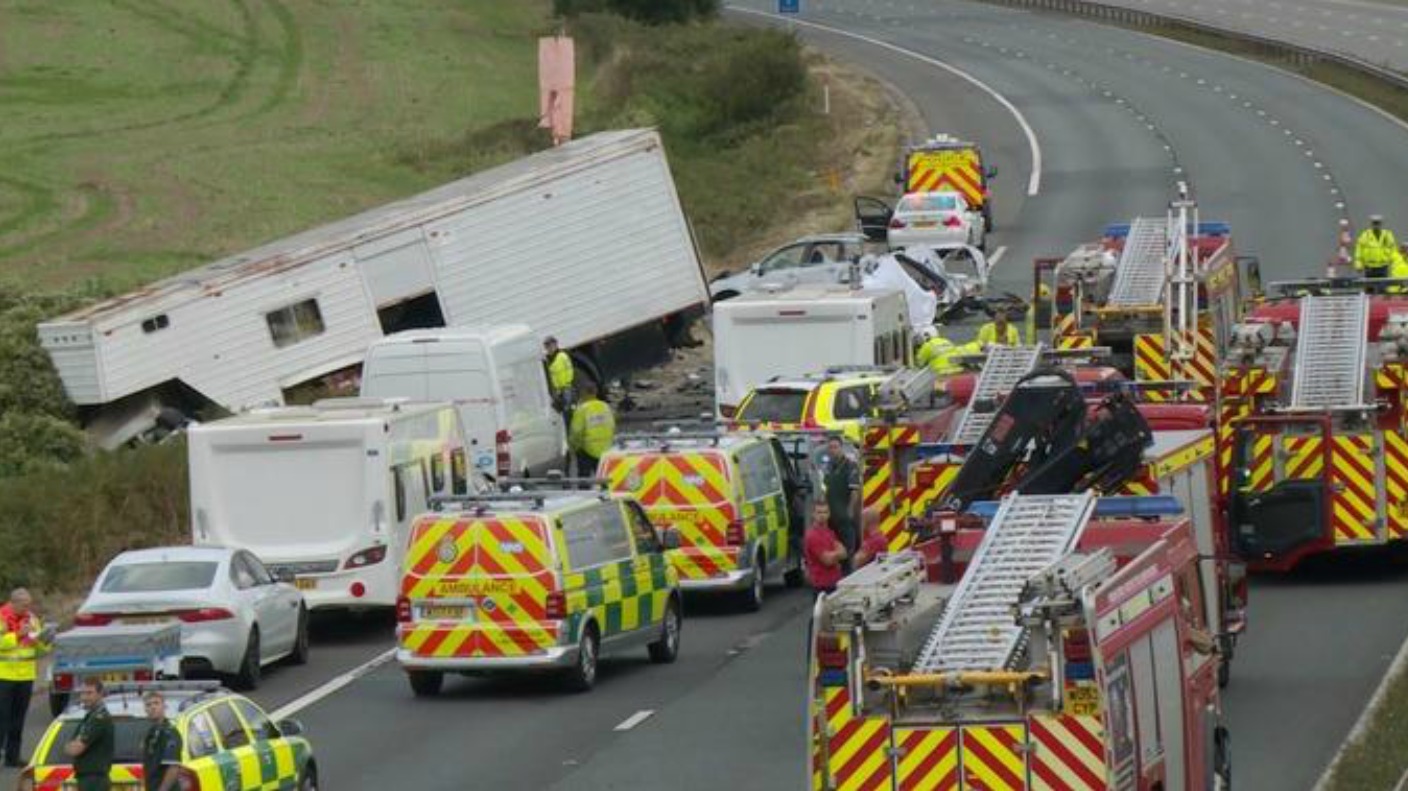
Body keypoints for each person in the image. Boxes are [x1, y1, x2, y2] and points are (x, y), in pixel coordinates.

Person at [0, 588, 52, 767]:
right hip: (4, 676)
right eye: (24, 605)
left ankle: (12, 758)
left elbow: (38, 649)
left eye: (29, 604)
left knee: (18, 719)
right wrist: (17, 635)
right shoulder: (1, 617)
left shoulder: (32, 619)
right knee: (2, 718)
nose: (28, 608)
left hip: (26, 676)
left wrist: (46, 641)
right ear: (13, 603)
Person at [65, 679, 114, 791]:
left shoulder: (99, 719)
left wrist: (72, 745)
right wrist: (72, 746)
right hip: (87, 780)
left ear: (100, 694)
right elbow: (71, 746)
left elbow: (74, 750)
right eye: (82, 693)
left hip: (94, 781)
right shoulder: (90, 717)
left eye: (89, 693)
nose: (84, 697)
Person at [822, 436, 861, 562]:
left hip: (844, 516)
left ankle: (849, 574)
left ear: (841, 448)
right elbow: (825, 488)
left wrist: (849, 511)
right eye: (830, 448)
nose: (833, 450)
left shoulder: (850, 466)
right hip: (831, 517)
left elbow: (854, 491)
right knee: (834, 550)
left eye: (835, 447)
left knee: (848, 550)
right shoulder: (828, 467)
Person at [568, 382, 615, 478]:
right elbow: (612, 426)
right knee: (604, 478)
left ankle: (585, 492)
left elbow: (576, 432)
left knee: (584, 479)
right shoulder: (605, 406)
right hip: (605, 448)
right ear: (596, 392)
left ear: (583, 393)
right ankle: (604, 492)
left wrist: (573, 447)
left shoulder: (582, 409)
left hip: (587, 449)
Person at [140, 691, 182, 791]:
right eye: (148, 705)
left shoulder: (170, 733)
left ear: (164, 706)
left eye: (156, 703)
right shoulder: (151, 733)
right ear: (145, 710)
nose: (152, 707)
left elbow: (173, 768)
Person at [803, 502, 847, 595]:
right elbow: (827, 560)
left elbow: (845, 553)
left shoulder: (830, 532)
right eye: (819, 512)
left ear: (829, 514)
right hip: (821, 586)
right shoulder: (812, 535)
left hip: (834, 583)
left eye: (825, 512)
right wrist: (837, 554)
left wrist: (834, 554)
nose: (822, 515)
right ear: (813, 514)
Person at [1355, 215, 1401, 284]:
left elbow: (1393, 250)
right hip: (1369, 267)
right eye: (1374, 223)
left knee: (1382, 290)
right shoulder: (1365, 235)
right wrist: (1358, 263)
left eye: (1378, 223)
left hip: (1383, 267)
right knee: (1370, 290)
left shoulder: (1387, 235)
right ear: (1371, 224)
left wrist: (1395, 264)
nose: (1376, 225)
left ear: (1381, 224)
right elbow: (1359, 250)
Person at [543, 336, 575, 413]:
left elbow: (569, 369)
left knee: (569, 407)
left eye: (550, 346)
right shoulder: (548, 360)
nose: (549, 348)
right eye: (547, 347)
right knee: (560, 409)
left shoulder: (562, 356)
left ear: (556, 345)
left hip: (566, 387)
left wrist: (568, 383)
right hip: (558, 389)